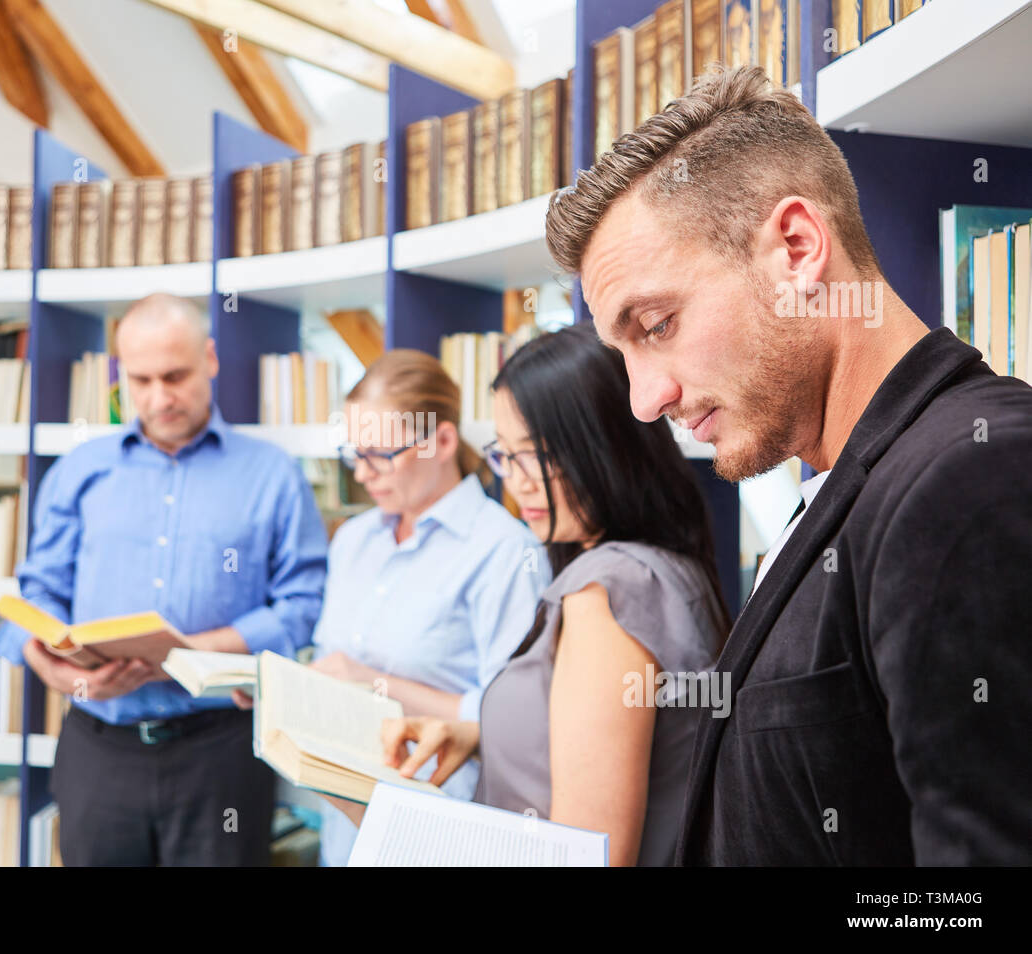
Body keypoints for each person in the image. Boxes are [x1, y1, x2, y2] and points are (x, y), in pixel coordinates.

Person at [544, 65, 1032, 864]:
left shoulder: (970, 478)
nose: (642, 399)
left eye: (658, 324)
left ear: (798, 249)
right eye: (622, 349)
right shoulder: (849, 483)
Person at [365, 326, 732, 865]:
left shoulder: (604, 595)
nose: (518, 482)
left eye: (535, 454)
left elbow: (590, 855)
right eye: (504, 456)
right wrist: (478, 733)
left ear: (603, 445)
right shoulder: (664, 565)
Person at [0, 293, 327, 866]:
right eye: (140, 380)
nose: (159, 397)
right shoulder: (81, 471)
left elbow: (303, 602)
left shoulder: (272, 474)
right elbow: (36, 592)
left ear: (211, 359)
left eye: (176, 375)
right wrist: (50, 664)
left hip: (221, 754)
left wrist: (198, 652)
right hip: (99, 750)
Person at [301, 348, 550, 866]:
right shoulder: (353, 539)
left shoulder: (503, 550)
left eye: (380, 454)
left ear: (441, 441)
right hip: (345, 822)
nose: (364, 474)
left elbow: (517, 720)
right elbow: (330, 659)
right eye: (354, 453)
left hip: (442, 828)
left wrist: (373, 682)